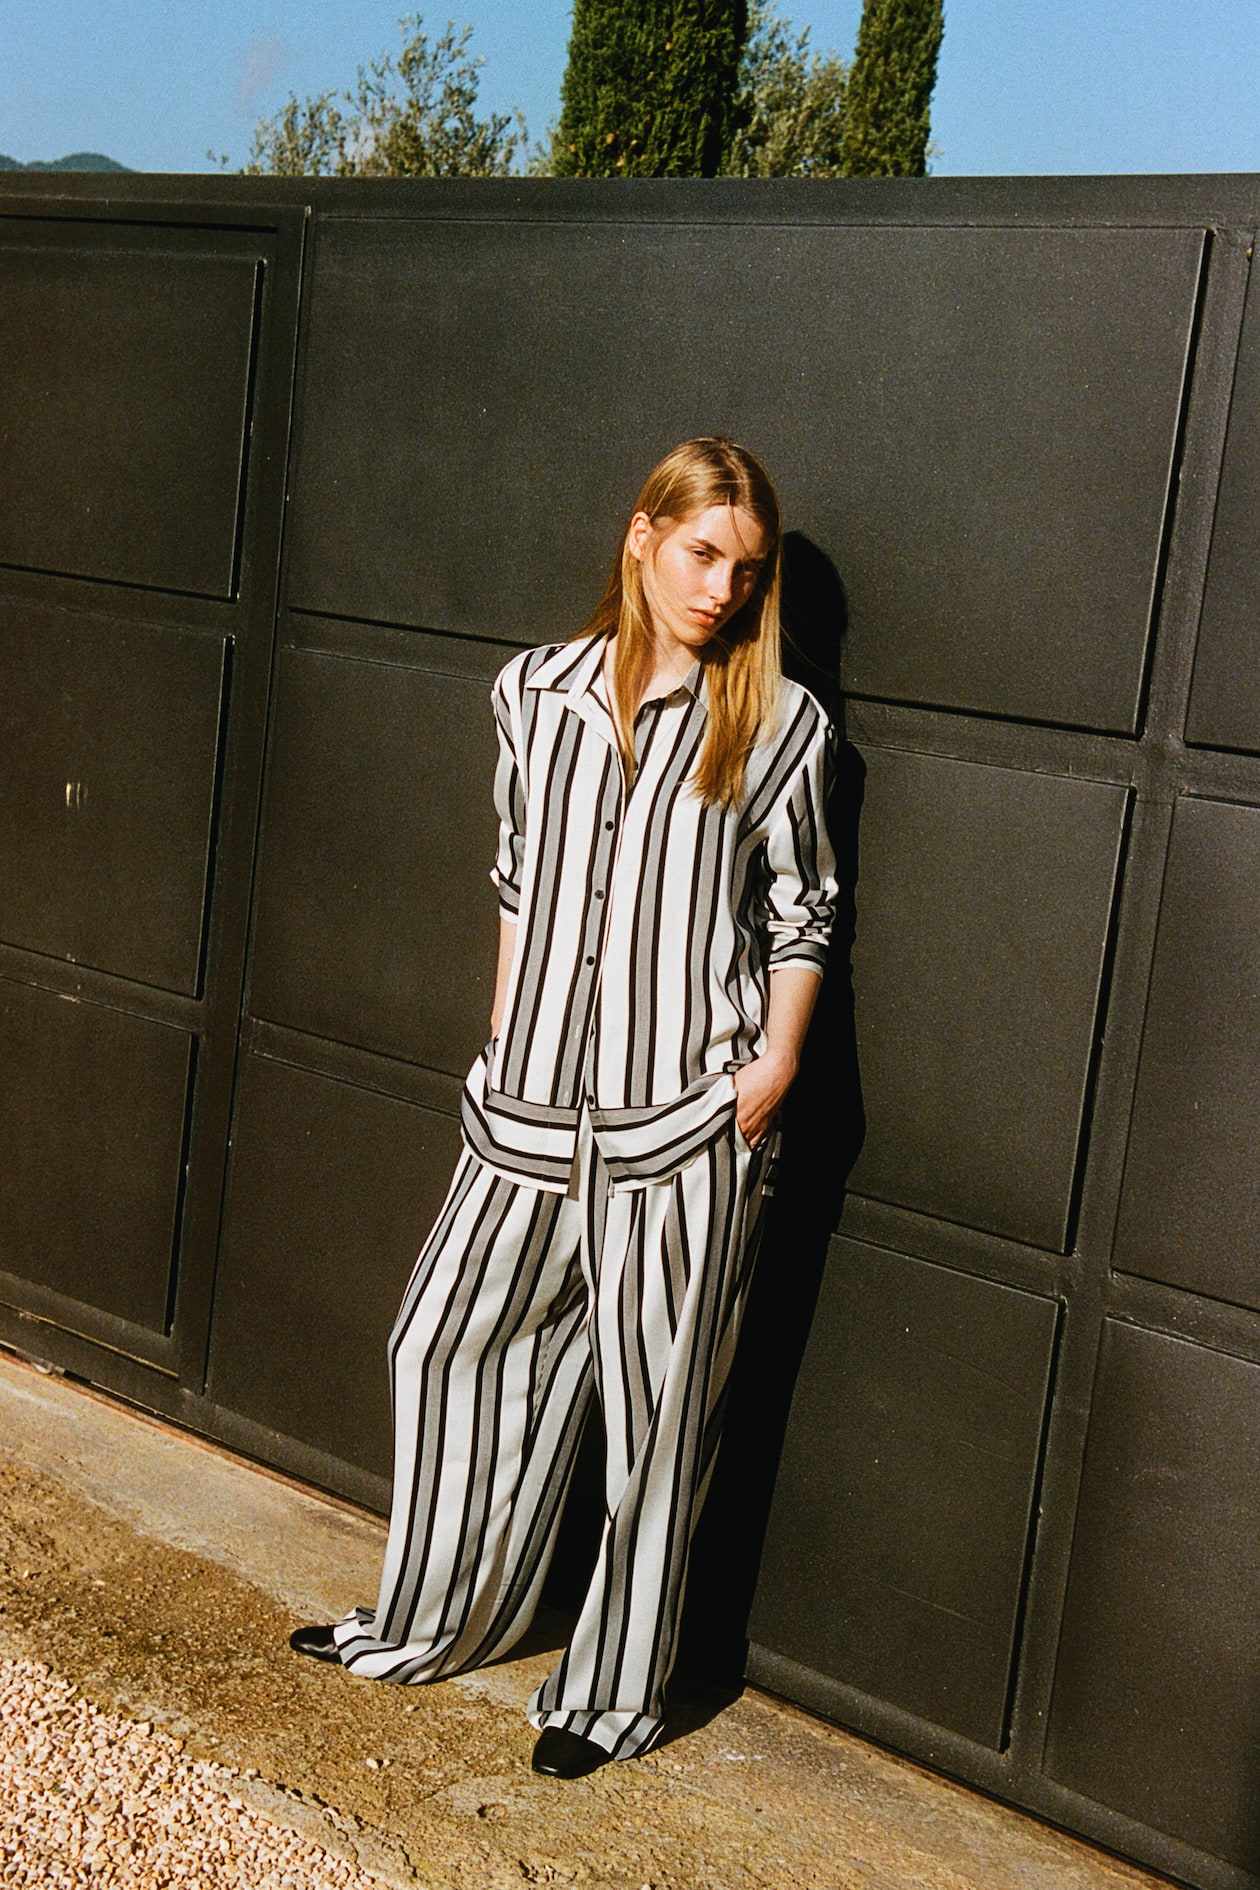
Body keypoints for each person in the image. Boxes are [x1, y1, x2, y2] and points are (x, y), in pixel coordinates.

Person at [289, 437, 838, 1779]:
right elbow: (518, 878)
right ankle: (432, 1621)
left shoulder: (778, 723)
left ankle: (606, 1698)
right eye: (700, 554)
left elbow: (804, 910)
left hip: (684, 1122)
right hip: (529, 1108)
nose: (719, 589)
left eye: (744, 569)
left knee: (658, 1420)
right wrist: (501, 1038)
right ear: (642, 536)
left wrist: (771, 1069)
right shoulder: (531, 692)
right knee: (442, 1342)